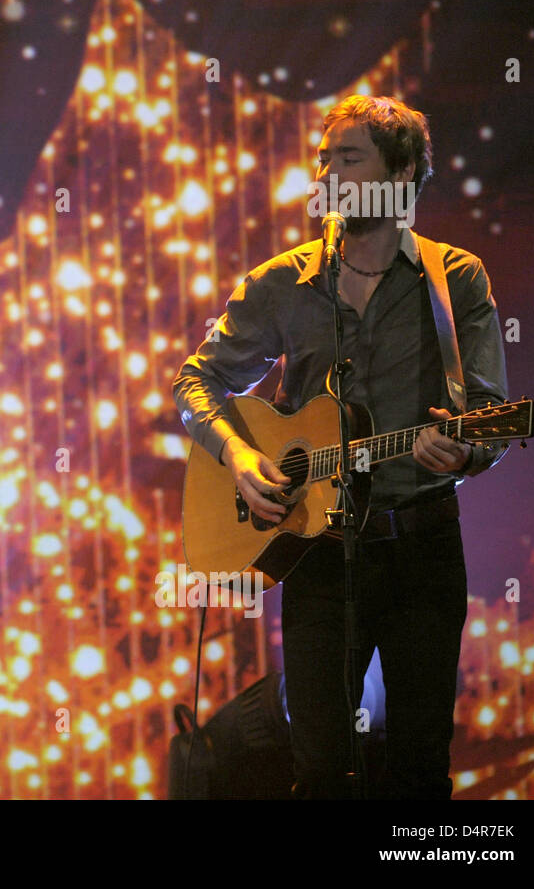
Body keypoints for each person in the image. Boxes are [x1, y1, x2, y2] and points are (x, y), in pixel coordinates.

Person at [173, 95, 508, 799]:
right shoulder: (281, 284)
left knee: (420, 771)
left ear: (404, 170)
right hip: (319, 559)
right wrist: (237, 454)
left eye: (347, 157)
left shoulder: (457, 280)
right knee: (319, 771)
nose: (326, 172)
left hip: (422, 547)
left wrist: (467, 451)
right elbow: (196, 380)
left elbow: (488, 416)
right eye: (324, 158)